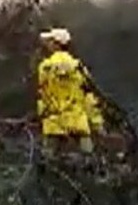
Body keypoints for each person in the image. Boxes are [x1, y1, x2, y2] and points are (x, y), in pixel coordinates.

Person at [35, 27, 99, 158]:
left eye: (50, 41)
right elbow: (88, 97)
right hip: (77, 120)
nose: (47, 45)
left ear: (56, 44)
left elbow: (42, 96)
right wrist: (97, 123)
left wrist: (41, 116)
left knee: (47, 161)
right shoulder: (78, 67)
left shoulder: (45, 67)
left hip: (54, 123)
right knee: (90, 161)